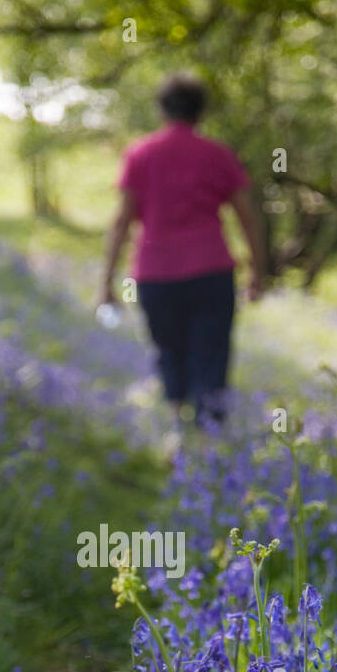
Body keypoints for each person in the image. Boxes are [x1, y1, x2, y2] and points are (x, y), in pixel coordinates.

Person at [99, 73, 267, 427]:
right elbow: (247, 218)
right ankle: (209, 437)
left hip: (156, 274)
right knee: (213, 354)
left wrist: (106, 282)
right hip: (211, 271)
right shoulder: (217, 155)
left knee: (168, 351)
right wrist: (257, 272)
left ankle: (177, 429)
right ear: (201, 112)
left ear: (161, 110)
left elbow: (121, 222)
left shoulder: (140, 154)